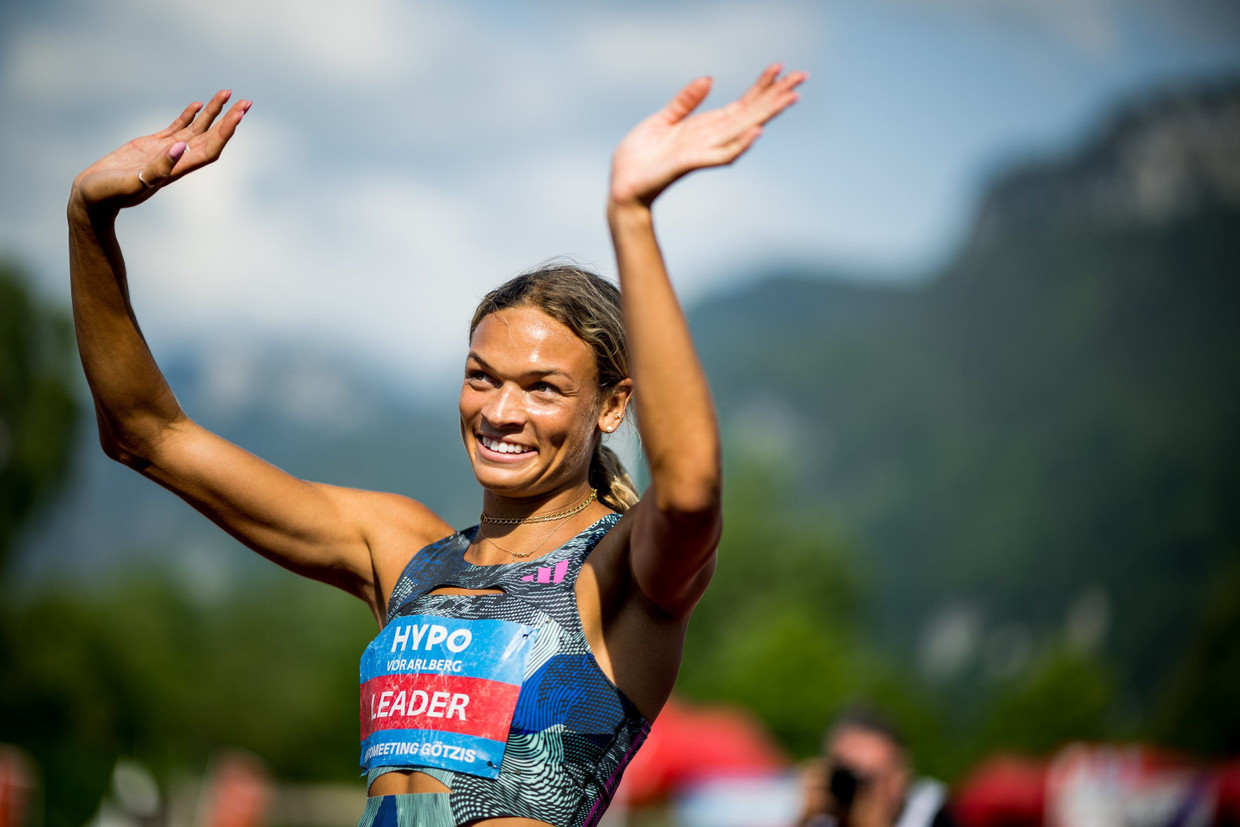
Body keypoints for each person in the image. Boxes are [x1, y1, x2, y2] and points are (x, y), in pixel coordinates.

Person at [67, 65, 806, 827]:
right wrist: (89, 220)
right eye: (481, 378)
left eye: (544, 387)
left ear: (615, 404)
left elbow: (688, 493)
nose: (502, 411)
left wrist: (632, 215)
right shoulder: (403, 552)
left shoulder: (616, 571)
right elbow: (147, 435)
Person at [797, 706, 956, 827]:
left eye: (866, 779)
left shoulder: (940, 813)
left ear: (899, 778)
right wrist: (802, 818)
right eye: (843, 775)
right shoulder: (820, 817)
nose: (853, 789)